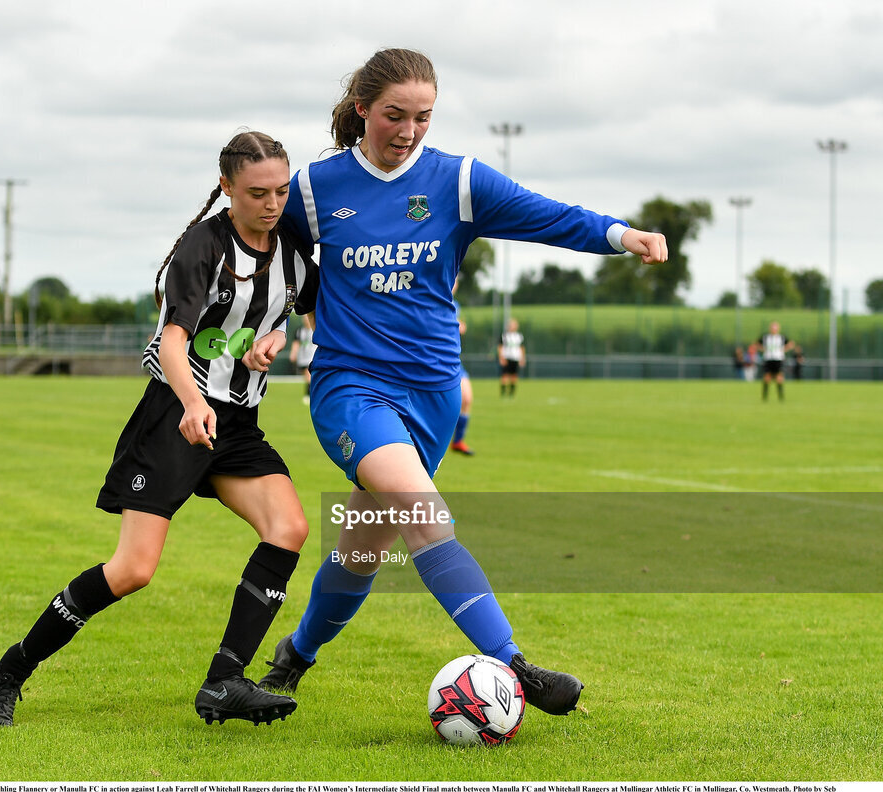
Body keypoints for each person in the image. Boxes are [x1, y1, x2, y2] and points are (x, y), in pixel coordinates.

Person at [256, 48, 667, 717]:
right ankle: (515, 664)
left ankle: (294, 655)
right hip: (351, 388)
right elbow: (267, 257)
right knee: (424, 514)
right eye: (395, 115)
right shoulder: (312, 188)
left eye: (423, 117)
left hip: (435, 394)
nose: (409, 130)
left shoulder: (459, 181)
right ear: (362, 108)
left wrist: (623, 236)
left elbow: (550, 216)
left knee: (364, 546)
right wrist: (266, 325)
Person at [0, 131, 318, 728]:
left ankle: (224, 681)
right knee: (133, 570)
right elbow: (173, 340)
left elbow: (302, 304)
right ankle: (10, 671)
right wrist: (190, 402)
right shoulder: (202, 246)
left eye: (282, 190)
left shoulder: (291, 243)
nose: (272, 204)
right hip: (173, 417)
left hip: (237, 421)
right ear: (226, 189)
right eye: (257, 192)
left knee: (288, 527)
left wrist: (277, 338)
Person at [450, 314, 475, 456]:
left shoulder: (454, 302)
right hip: (433, 360)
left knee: (466, 399)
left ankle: (458, 441)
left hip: (453, 360)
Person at [756, 321, 794, 401]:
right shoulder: (765, 337)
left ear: (778, 328)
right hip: (768, 359)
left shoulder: (782, 337)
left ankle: (781, 397)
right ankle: (764, 397)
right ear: (770, 328)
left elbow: (791, 344)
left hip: (778, 359)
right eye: (772, 327)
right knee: (767, 377)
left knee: (779, 377)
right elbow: (756, 344)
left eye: (775, 327)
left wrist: (784, 349)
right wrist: (763, 349)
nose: (774, 329)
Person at [289, 313, 317, 404]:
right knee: (307, 376)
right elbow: (296, 343)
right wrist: (293, 353)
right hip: (303, 357)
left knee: (309, 376)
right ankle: (310, 394)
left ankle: (309, 394)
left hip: (313, 356)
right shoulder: (300, 331)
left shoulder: (316, 329)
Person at [498, 317, 526, 397]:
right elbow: (500, 347)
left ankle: (511, 393)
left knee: (514, 375)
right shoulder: (504, 335)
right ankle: (503, 392)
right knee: (505, 375)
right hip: (507, 357)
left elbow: (522, 348)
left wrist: (522, 358)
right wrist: (501, 357)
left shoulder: (519, 336)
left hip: (516, 358)